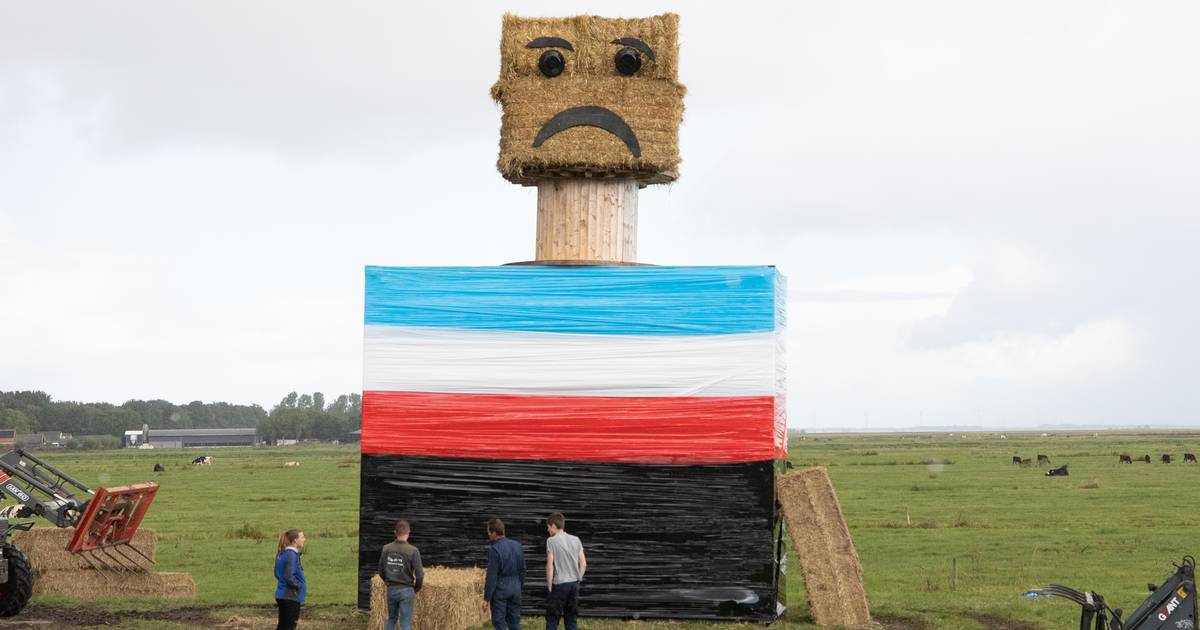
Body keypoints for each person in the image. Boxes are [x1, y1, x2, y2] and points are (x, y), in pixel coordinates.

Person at [378, 519, 424, 630]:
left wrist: (387, 582)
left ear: (395, 532)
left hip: (392, 589)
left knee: (392, 619)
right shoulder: (413, 551)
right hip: (407, 590)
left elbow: (380, 570)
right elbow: (420, 575)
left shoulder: (386, 548)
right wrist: (416, 589)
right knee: (405, 623)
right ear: (408, 533)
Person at [544, 512, 585, 630]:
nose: (548, 530)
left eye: (548, 527)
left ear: (553, 526)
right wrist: (578, 579)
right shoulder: (576, 539)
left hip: (559, 584)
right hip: (574, 584)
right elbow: (583, 563)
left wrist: (549, 585)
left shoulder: (551, 541)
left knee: (552, 619)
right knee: (571, 619)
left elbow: (550, 565)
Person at [484, 518, 526, 630]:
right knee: (514, 621)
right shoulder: (517, 545)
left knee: (499, 622)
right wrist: (519, 586)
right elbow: (523, 569)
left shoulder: (494, 549)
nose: (488, 534)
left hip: (501, 590)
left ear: (494, 533)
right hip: (516, 587)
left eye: (489, 532)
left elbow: (492, 576)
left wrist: (486, 598)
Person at [274, 528, 306, 630]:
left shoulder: (282, 553)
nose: (304, 539)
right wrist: (299, 585)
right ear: (295, 540)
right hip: (290, 596)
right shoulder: (291, 554)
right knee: (289, 627)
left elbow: (277, 573)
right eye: (302, 537)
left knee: (282, 626)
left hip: (282, 595)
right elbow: (289, 577)